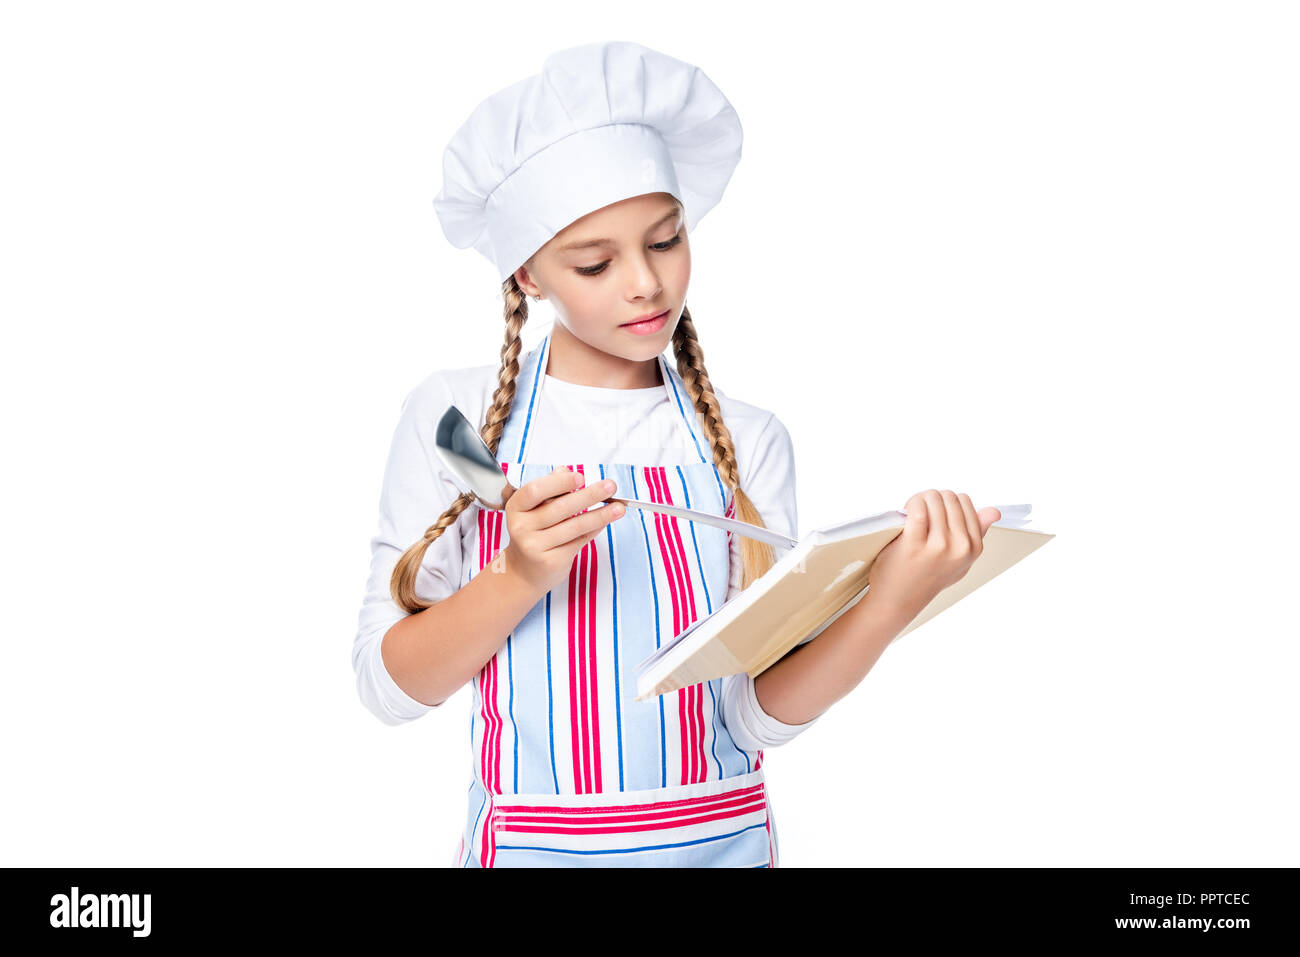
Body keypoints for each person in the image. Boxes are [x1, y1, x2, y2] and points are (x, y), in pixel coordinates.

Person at [353, 40, 1001, 868]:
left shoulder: (749, 439)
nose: (646, 285)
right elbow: (389, 689)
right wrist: (516, 576)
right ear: (528, 275)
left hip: (721, 846)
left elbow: (755, 716)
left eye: (665, 241)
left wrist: (890, 600)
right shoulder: (457, 422)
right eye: (595, 261)